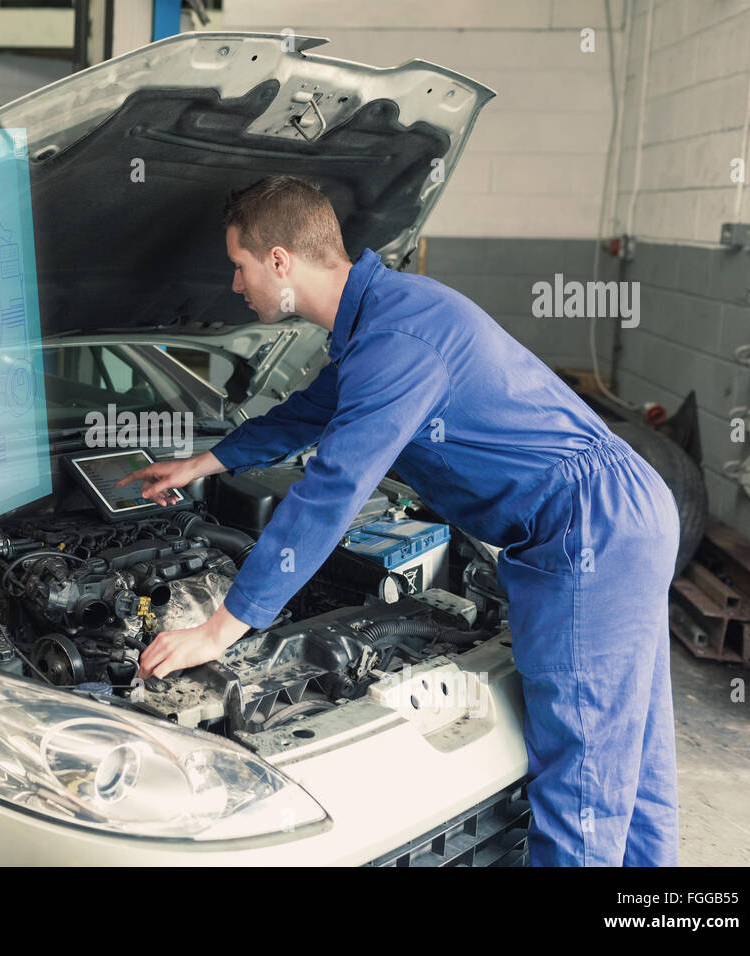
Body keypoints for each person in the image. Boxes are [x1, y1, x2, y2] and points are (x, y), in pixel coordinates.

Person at [115, 175, 680, 867]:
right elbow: (305, 413)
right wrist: (200, 465)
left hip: (588, 528)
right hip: (617, 511)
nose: (236, 287)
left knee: (582, 780)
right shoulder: (378, 319)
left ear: (281, 262)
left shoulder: (397, 339)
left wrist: (222, 626)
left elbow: (334, 488)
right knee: (632, 757)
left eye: (239, 267)